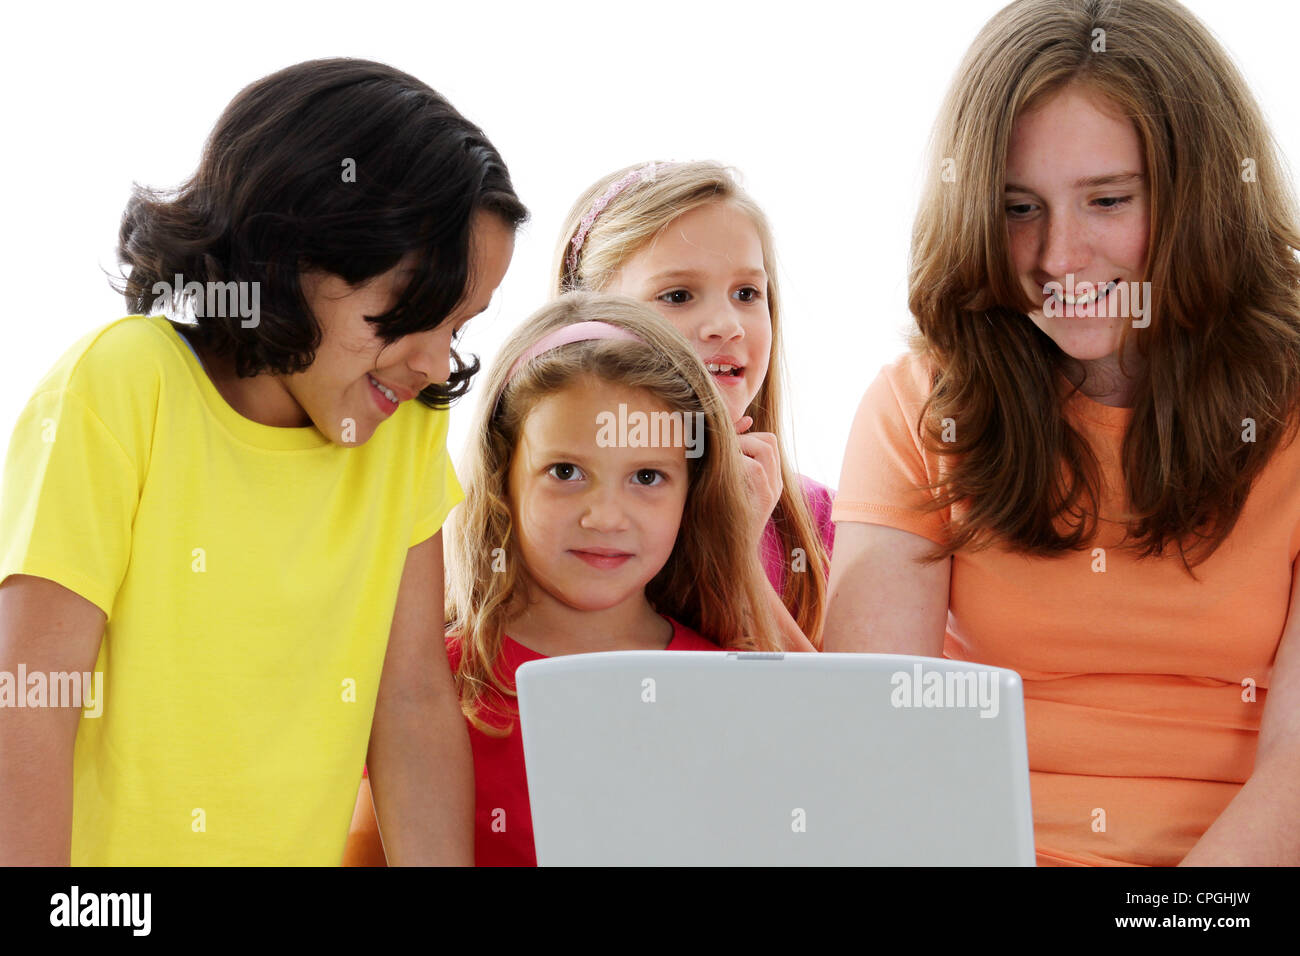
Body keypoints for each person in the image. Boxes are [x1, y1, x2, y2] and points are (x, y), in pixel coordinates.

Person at [0, 58, 525, 865]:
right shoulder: (122, 385)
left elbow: (411, 697)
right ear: (284, 256)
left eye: (458, 327)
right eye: (404, 315)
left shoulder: (406, 423)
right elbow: (31, 698)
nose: (430, 362)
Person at [825, 0, 1300, 866]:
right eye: (1018, 208)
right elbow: (873, 746)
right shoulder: (920, 405)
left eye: (1108, 201)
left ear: (1203, 198)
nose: (1058, 257)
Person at [345, 292, 786, 865]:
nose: (605, 516)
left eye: (647, 476)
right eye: (567, 472)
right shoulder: (431, 689)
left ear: (692, 490)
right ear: (504, 476)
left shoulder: (730, 688)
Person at [555, 162, 832, 649]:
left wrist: (738, 559)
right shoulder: (553, 500)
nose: (726, 324)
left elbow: (838, 721)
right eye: (678, 295)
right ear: (590, 319)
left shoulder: (815, 519)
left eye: (747, 293)